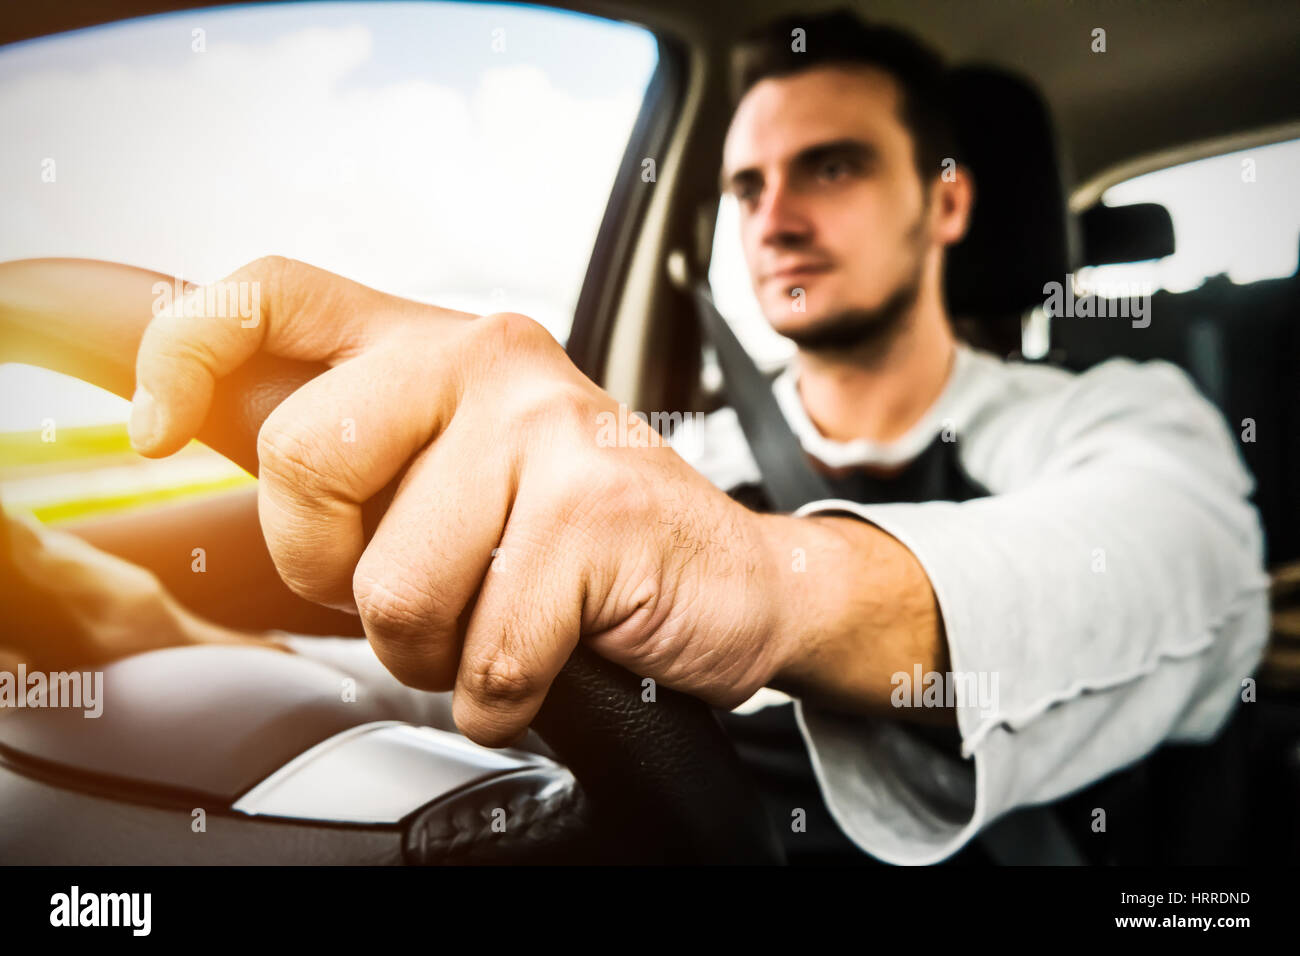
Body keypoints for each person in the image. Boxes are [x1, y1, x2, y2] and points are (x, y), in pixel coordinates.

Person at [0, 11, 1269, 864]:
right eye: (748, 185)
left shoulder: (1115, 417)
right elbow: (425, 687)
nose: (774, 217)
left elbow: (1166, 573)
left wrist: (752, 582)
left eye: (829, 168)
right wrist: (68, 605)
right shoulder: (685, 459)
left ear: (943, 202)